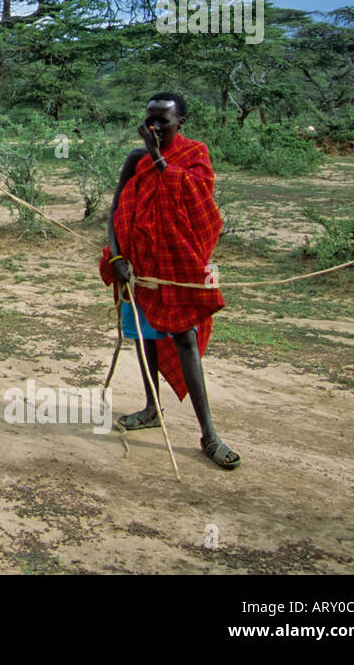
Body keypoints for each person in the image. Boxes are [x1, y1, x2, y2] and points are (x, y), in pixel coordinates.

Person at [101, 91, 240, 469]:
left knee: (184, 339)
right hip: (138, 267)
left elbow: (196, 200)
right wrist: (116, 257)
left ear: (182, 124)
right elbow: (115, 210)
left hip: (176, 268)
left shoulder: (194, 155)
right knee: (144, 336)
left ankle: (209, 434)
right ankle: (151, 408)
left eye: (163, 120)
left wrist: (158, 155)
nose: (155, 127)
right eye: (150, 119)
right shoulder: (135, 159)